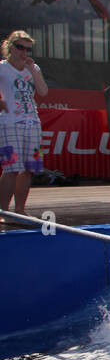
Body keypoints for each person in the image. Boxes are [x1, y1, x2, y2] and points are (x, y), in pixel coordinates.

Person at [0, 31, 49, 221]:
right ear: (10, 47)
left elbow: (43, 92)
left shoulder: (33, 67)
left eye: (27, 49)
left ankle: (20, 209)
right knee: (11, 167)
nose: (24, 52)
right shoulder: (2, 68)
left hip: (32, 122)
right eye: (20, 47)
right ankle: (3, 210)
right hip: (9, 122)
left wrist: (33, 71)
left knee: (29, 167)